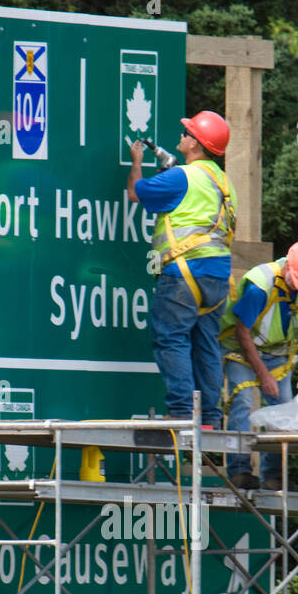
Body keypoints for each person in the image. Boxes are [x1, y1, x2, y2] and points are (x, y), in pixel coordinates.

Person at [127, 111, 237, 428]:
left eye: (187, 132)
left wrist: (136, 161)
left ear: (196, 144)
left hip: (183, 274)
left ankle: (181, 411)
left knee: (171, 338)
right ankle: (211, 418)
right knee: (206, 345)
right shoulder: (224, 182)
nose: (182, 135)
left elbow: (136, 192)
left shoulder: (182, 177)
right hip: (217, 278)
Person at [220, 241, 298, 490]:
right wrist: (263, 374)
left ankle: (273, 477)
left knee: (285, 412)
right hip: (241, 350)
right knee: (242, 401)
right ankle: (239, 471)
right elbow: (241, 332)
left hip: (276, 355)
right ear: (289, 265)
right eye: (296, 282)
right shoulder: (261, 285)